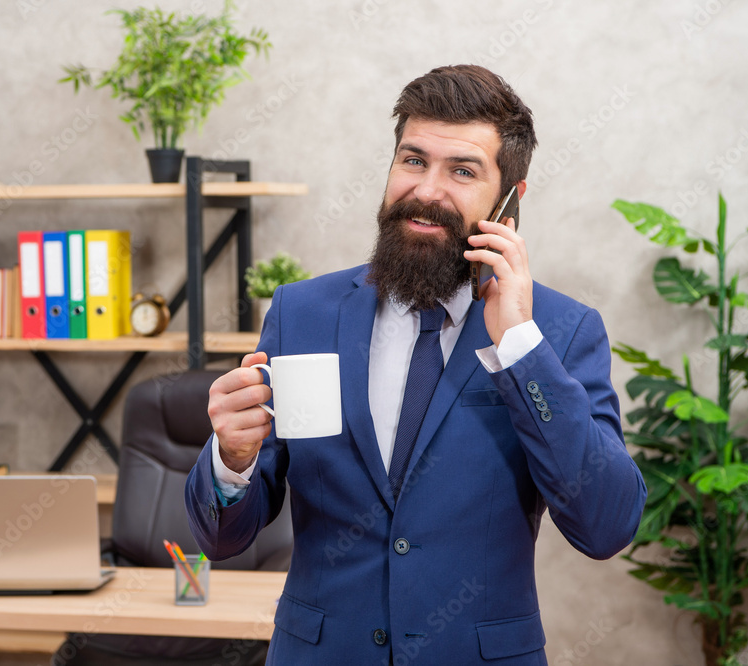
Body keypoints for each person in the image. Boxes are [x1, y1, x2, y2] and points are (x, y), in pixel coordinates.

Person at [185, 64, 647, 665]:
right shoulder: (301, 312)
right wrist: (231, 460)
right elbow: (221, 539)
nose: (427, 190)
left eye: (462, 171)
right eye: (412, 160)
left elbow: (606, 525)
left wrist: (521, 350)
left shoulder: (560, 333)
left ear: (511, 200)